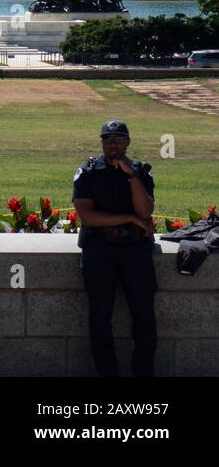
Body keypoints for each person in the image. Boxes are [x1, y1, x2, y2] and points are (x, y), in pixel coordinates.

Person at [72, 120, 157, 377]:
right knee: (100, 316)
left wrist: (130, 176)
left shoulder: (140, 172)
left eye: (119, 139)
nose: (113, 144)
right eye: (108, 139)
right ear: (101, 142)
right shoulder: (88, 172)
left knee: (144, 314)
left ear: (128, 142)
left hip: (136, 252)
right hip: (100, 251)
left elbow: (145, 211)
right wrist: (129, 219)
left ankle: (143, 373)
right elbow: (89, 218)